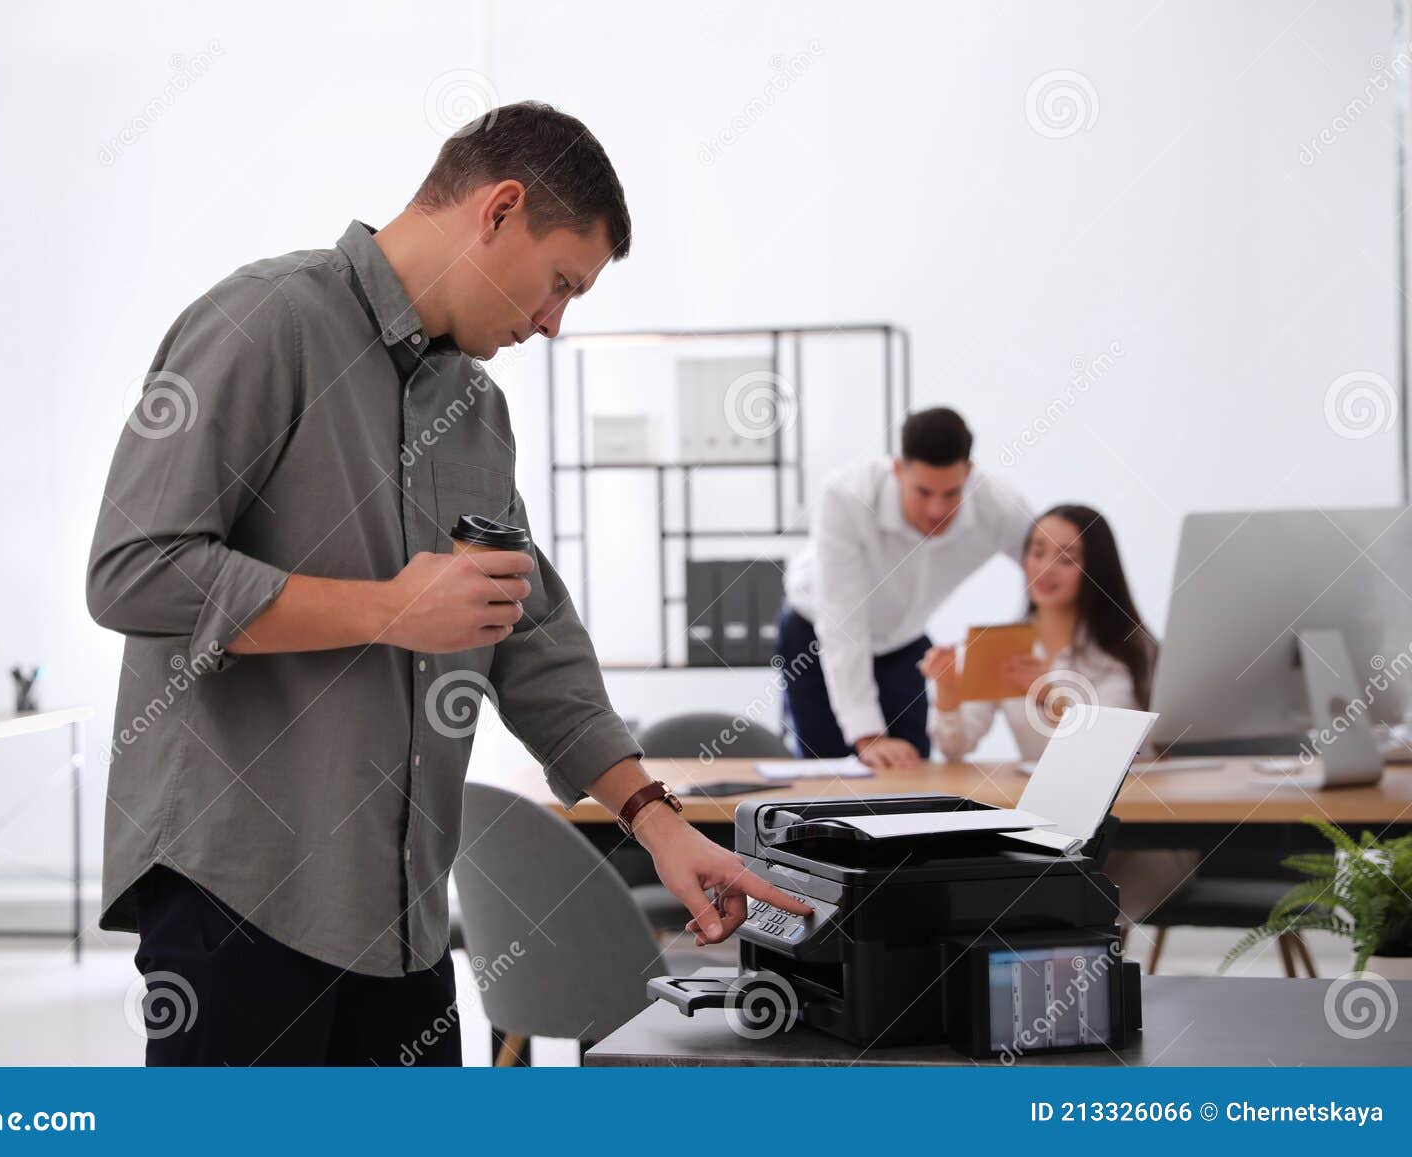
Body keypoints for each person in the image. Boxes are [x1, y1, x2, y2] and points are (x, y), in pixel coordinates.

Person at [87, 101, 809, 1067]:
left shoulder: (475, 408)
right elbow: (134, 571)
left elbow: (531, 636)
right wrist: (389, 611)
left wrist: (657, 822)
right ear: (499, 209)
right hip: (240, 900)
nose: (553, 324)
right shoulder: (263, 322)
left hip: (404, 921)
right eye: (560, 284)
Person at [918, 504, 1197, 927]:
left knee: (1093, 917)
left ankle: (1092, 972)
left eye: (1066, 558)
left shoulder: (1126, 646)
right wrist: (948, 694)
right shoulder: (1002, 645)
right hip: (1054, 828)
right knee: (1018, 904)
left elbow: (1124, 742)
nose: (1045, 568)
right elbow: (957, 746)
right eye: (1035, 551)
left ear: (1094, 570)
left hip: (1142, 833)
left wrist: (1053, 691)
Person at [777, 408, 1032, 768]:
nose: (937, 509)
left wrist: (1029, 643)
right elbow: (842, 619)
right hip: (817, 636)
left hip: (903, 639)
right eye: (924, 491)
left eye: (951, 493)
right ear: (898, 469)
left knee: (912, 768)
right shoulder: (846, 497)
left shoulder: (999, 507)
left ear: (969, 475)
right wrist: (868, 735)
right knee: (829, 773)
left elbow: (1048, 565)